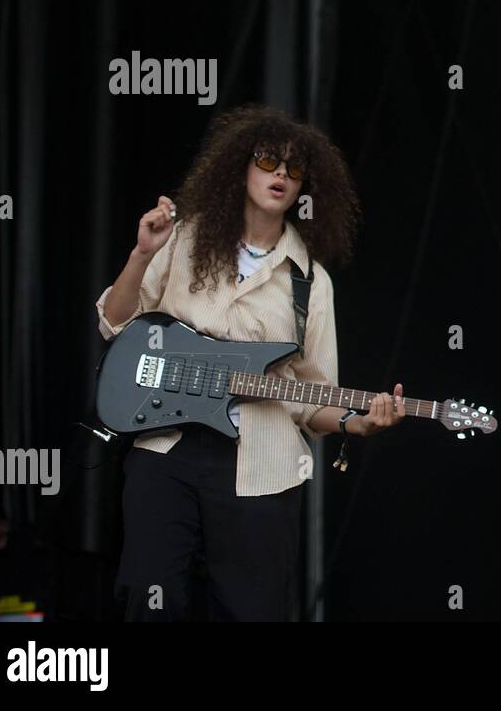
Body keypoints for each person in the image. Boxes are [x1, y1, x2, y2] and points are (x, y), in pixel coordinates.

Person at [96, 107, 406, 621]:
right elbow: (114, 322)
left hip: (260, 464)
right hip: (165, 446)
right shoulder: (184, 238)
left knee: (252, 610)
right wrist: (141, 254)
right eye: (268, 160)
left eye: (294, 168)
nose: (281, 174)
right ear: (241, 168)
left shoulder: (311, 282)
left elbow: (313, 402)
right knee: (147, 597)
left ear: (306, 186)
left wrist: (360, 420)